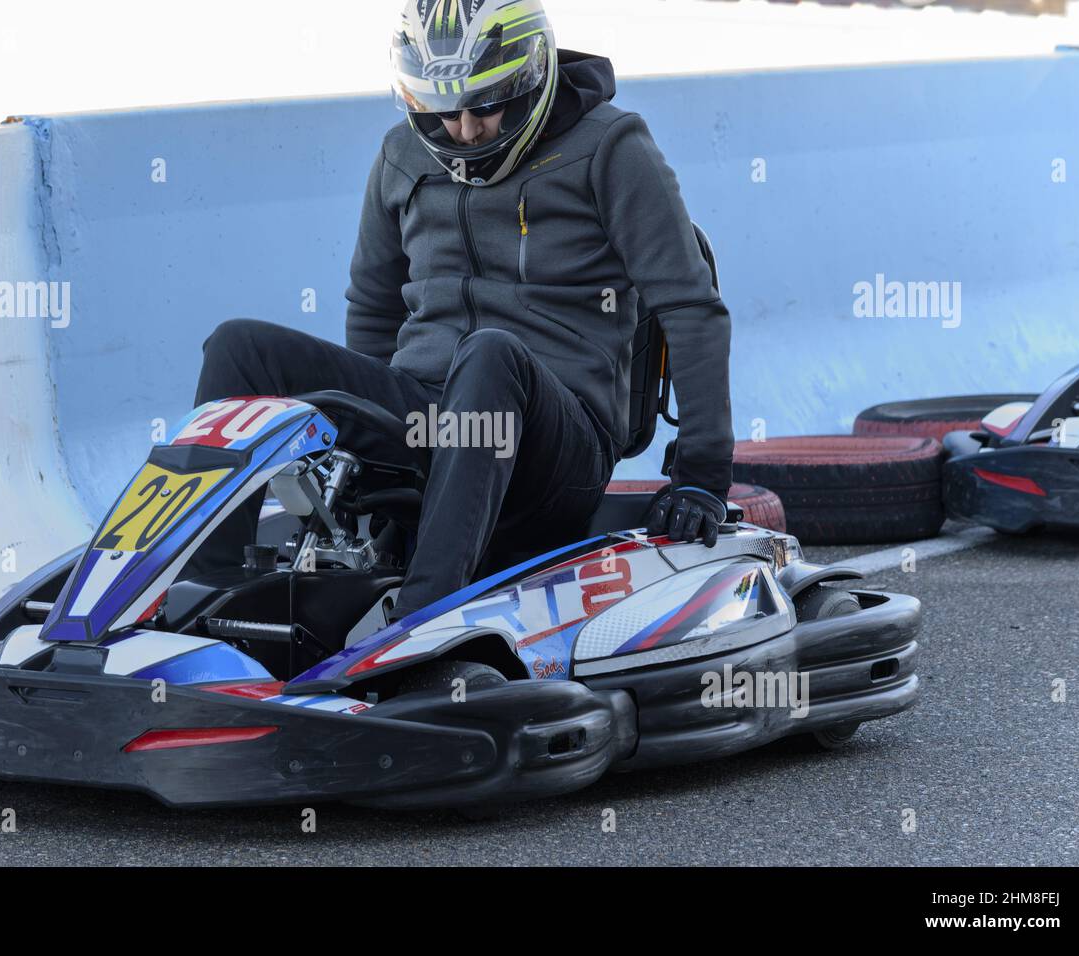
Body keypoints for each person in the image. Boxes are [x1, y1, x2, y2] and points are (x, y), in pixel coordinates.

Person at [190, 0, 733, 624]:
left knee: (490, 352)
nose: (465, 130)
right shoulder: (401, 155)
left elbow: (691, 308)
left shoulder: (612, 146)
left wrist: (702, 476)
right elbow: (373, 310)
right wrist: (359, 457)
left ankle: (421, 624)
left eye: (485, 106)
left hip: (556, 446)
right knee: (237, 346)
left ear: (529, 81)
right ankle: (207, 600)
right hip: (431, 419)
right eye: (443, 111)